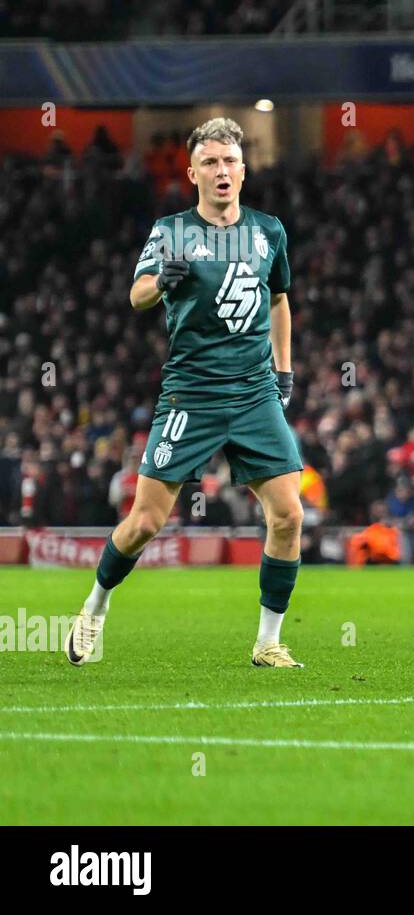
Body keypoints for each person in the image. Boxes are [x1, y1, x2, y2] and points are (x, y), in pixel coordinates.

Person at [64, 117, 306, 669]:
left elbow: (278, 301)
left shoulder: (269, 231)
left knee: (289, 515)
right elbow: (138, 296)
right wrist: (164, 277)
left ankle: (268, 642)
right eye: (211, 162)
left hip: (253, 392)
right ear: (192, 171)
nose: (222, 171)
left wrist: (285, 371)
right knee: (146, 522)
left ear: (243, 171)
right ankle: (95, 607)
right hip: (191, 393)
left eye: (230, 162)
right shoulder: (171, 231)